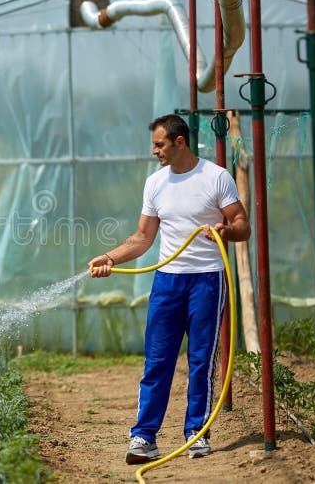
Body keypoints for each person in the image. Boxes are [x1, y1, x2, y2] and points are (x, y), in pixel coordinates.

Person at [88, 114, 250, 464]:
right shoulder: (156, 183)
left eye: (159, 144)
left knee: (201, 360)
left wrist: (225, 230)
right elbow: (143, 238)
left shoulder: (215, 177)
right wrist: (109, 258)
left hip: (207, 279)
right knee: (157, 360)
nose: (154, 150)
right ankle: (144, 437)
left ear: (180, 142)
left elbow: (242, 225)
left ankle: (196, 433)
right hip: (167, 281)